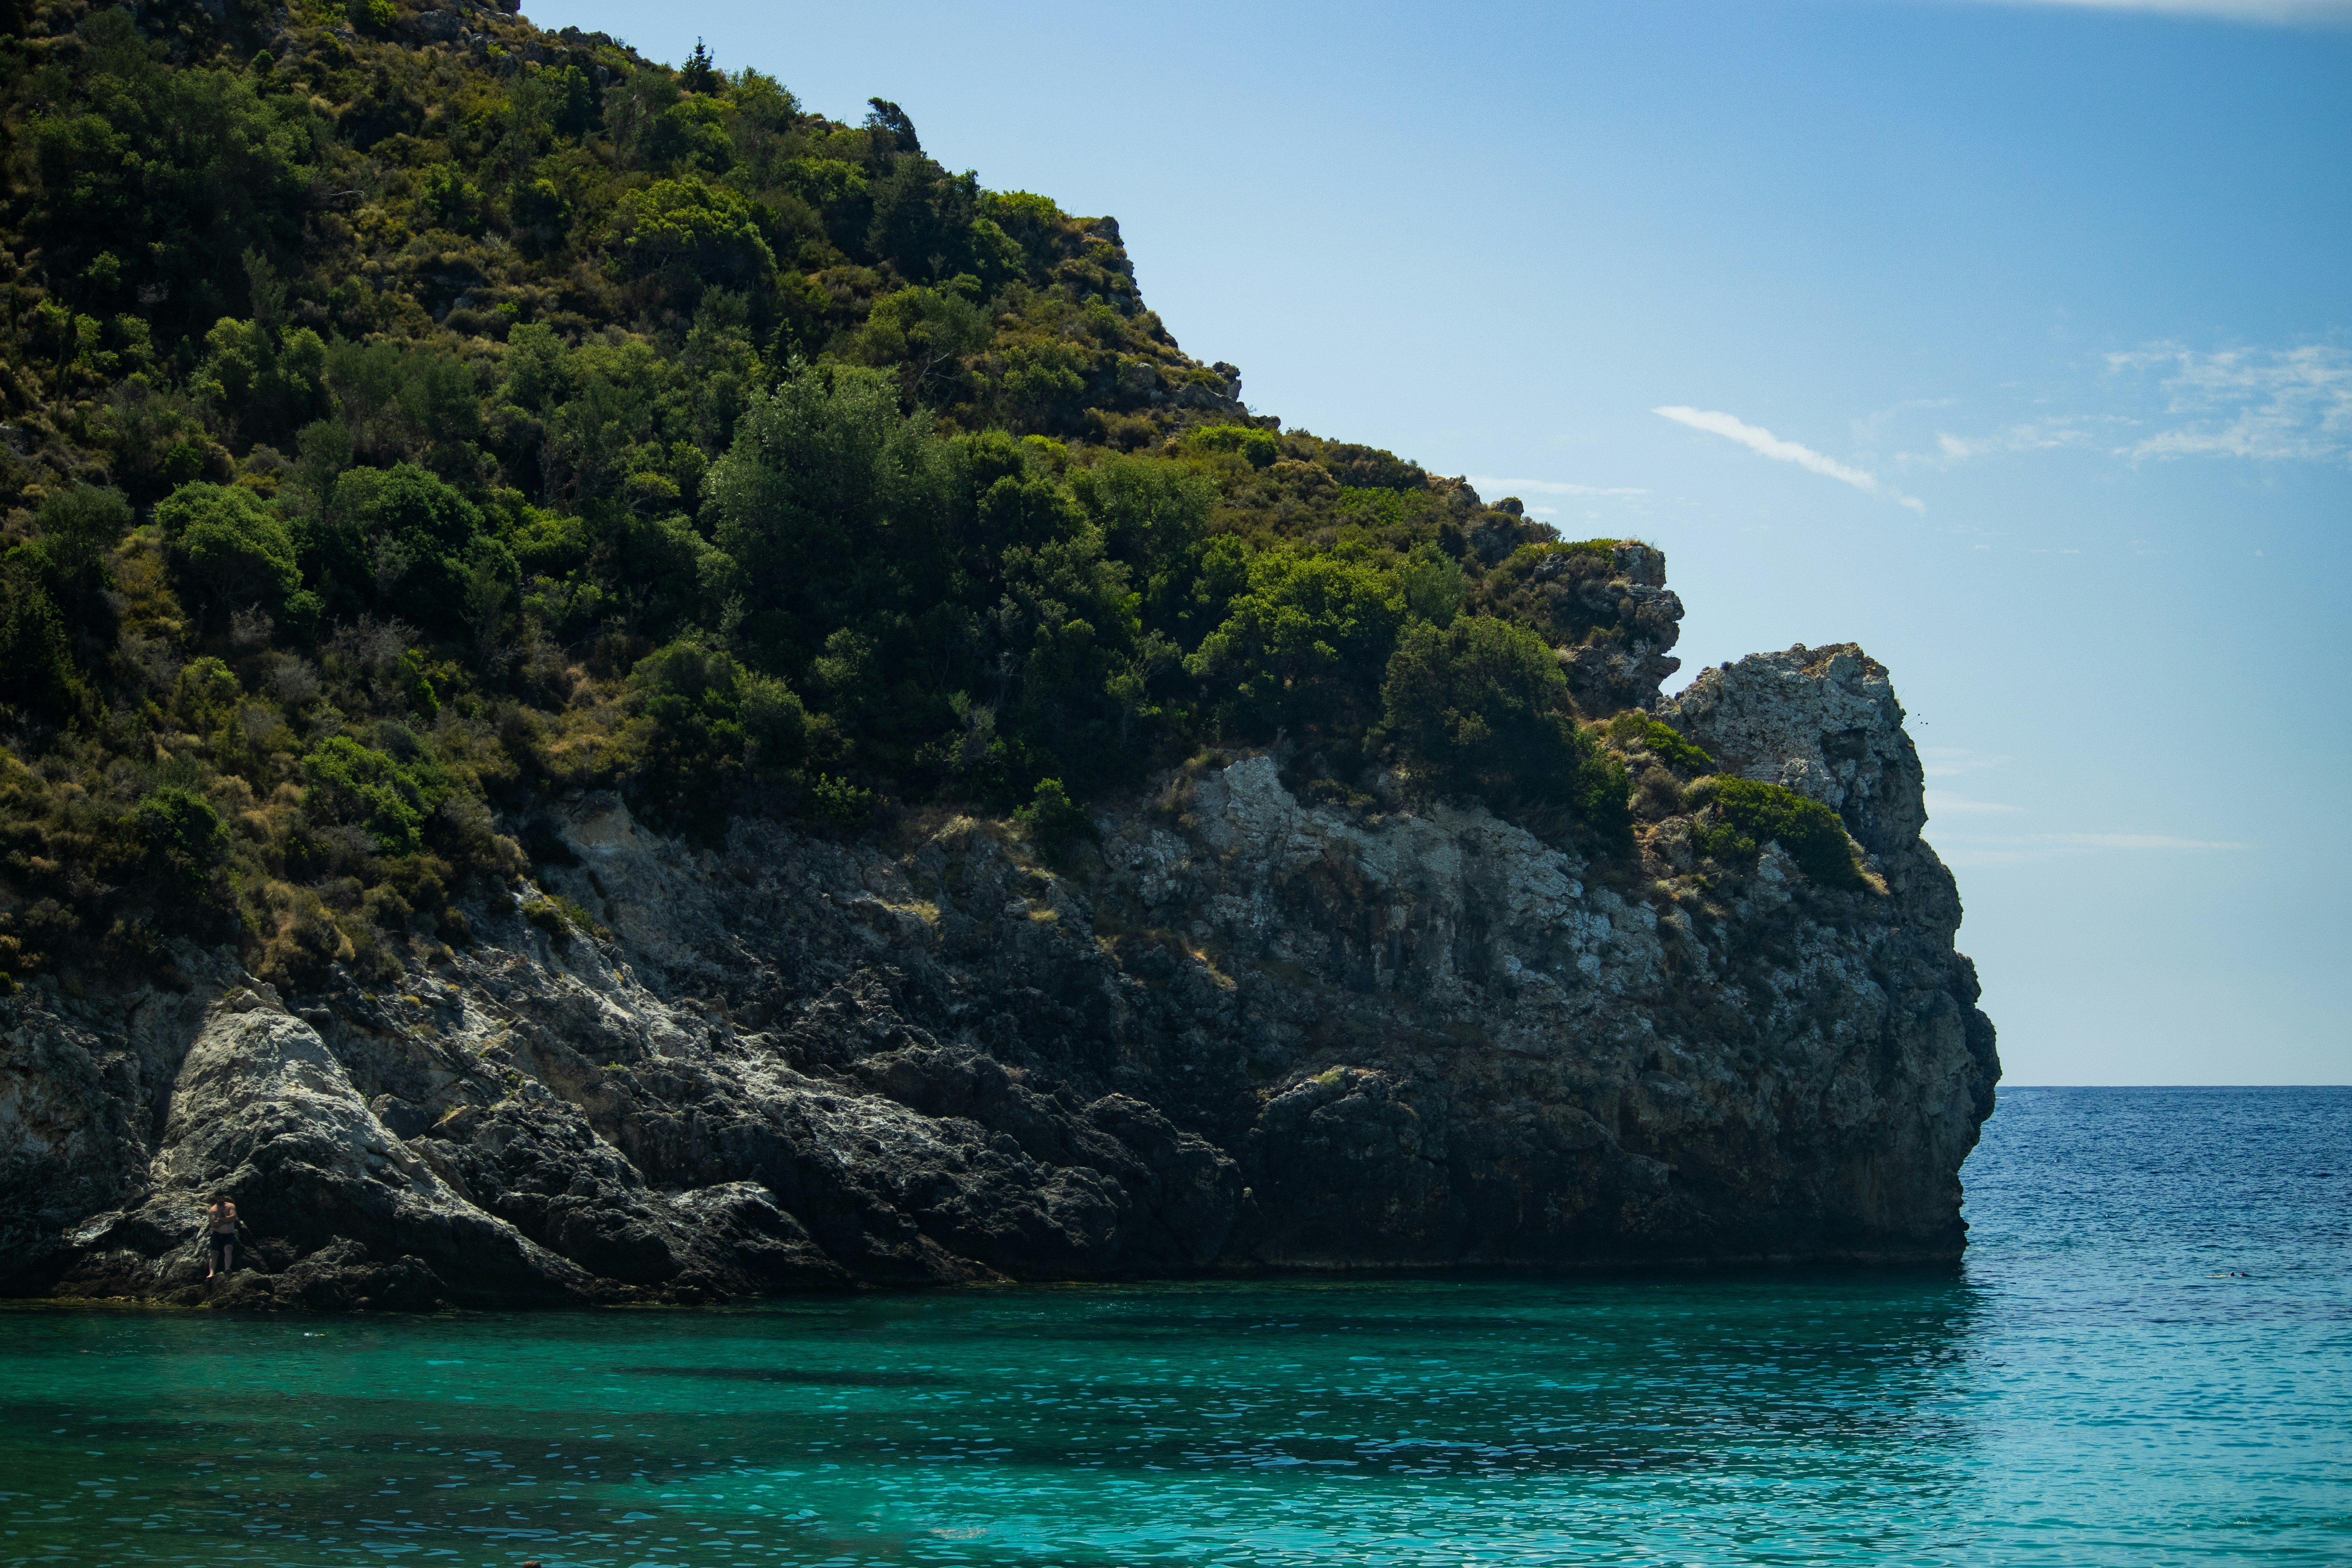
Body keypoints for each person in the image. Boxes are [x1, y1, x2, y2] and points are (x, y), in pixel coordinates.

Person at [204, 1193, 238, 1279]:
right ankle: (211, 1273)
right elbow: (213, 1224)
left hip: (229, 1234)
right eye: (219, 1199)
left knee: (228, 1249)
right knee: (214, 1253)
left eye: (223, 1198)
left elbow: (233, 1218)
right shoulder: (213, 1210)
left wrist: (221, 1219)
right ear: (216, 1198)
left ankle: (227, 1269)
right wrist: (227, 1220)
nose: (221, 1200)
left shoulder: (230, 1206)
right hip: (217, 1235)